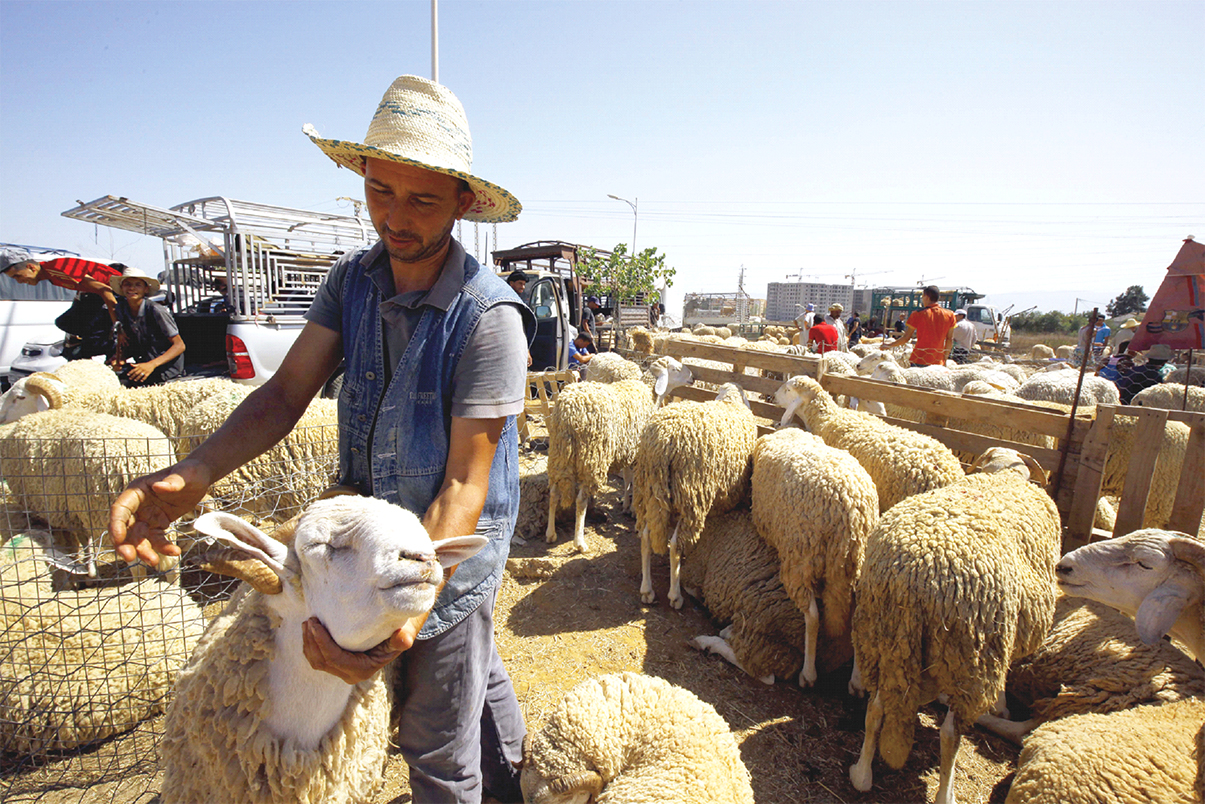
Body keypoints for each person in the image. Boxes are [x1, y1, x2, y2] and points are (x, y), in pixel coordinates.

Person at [109, 75, 534, 803]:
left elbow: (465, 482)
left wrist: (407, 614)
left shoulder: (488, 317)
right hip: (361, 540)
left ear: (463, 202)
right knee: (469, 676)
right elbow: (282, 394)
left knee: (434, 742)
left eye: (422, 200)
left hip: (436, 552)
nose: (395, 218)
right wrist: (193, 474)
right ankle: (523, 782)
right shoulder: (353, 279)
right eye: (379, 192)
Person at [110, 265, 186, 386]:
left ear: (145, 289)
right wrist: (119, 358)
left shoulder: (156, 310)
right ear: (122, 288)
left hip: (166, 370)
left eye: (137, 285)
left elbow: (179, 345)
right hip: (143, 365)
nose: (132, 288)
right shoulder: (121, 309)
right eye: (128, 284)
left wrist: (151, 365)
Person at [882, 286, 957, 367]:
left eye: (922, 297)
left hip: (919, 359)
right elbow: (949, 339)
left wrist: (888, 345)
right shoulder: (950, 315)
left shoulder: (917, 314)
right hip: (938, 362)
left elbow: (906, 338)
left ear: (927, 297)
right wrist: (945, 359)